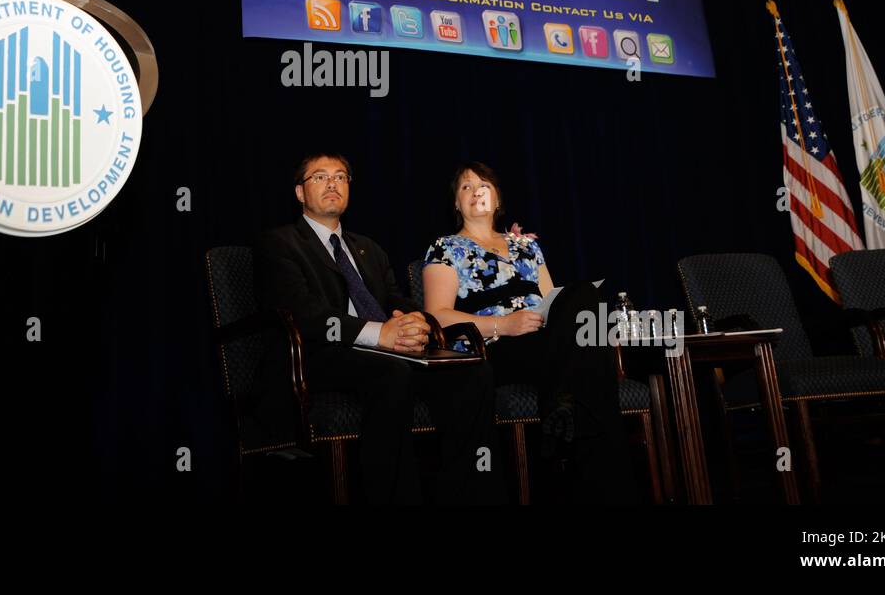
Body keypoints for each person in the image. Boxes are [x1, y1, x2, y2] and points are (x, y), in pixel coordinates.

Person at [255, 152, 503, 504]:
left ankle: (467, 494)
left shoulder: (368, 248)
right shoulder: (279, 243)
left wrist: (415, 321)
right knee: (391, 373)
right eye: (320, 177)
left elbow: (395, 300)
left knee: (471, 372)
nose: (332, 184)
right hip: (317, 354)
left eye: (341, 177)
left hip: (384, 352)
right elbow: (305, 314)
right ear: (300, 193)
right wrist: (379, 334)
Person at [422, 161, 635, 502]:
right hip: (494, 346)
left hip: (542, 340)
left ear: (499, 199)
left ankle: (561, 412)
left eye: (484, 184)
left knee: (584, 295)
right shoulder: (445, 248)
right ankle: (606, 483)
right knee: (593, 369)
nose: (476, 190)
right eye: (466, 186)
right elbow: (437, 317)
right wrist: (503, 325)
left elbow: (552, 301)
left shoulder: (527, 246)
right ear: (456, 204)